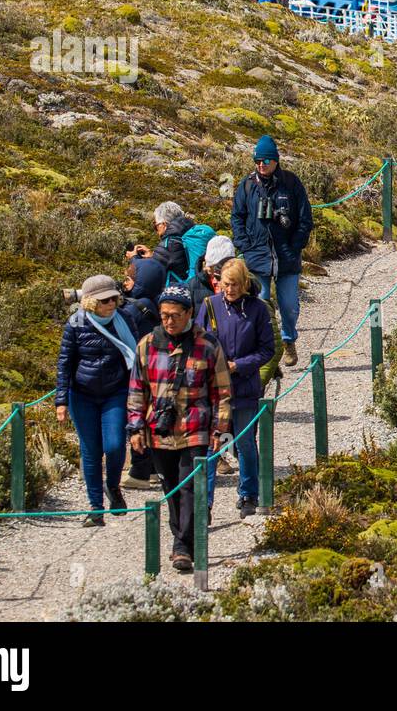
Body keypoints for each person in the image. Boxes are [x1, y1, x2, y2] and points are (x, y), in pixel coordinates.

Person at [127, 285, 232, 573]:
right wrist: (135, 427)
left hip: (196, 427)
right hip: (159, 431)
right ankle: (182, 538)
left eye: (174, 315)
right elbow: (137, 389)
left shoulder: (208, 345)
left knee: (189, 487)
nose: (168, 321)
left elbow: (222, 391)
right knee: (171, 488)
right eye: (163, 315)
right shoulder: (147, 345)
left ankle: (183, 546)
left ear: (188, 314)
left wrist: (220, 430)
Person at [55, 275, 139, 526]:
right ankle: (95, 508)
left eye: (114, 298)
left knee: (114, 445)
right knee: (90, 451)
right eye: (105, 300)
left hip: (116, 392)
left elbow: (136, 359)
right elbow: (64, 363)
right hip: (82, 395)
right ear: (91, 302)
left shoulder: (125, 320)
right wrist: (61, 401)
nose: (111, 304)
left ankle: (112, 486)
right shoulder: (75, 324)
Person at [196, 259, 273, 519]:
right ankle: (204, 504)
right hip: (213, 389)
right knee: (210, 447)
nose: (229, 289)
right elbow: (197, 341)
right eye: (225, 284)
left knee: (245, 444)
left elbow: (267, 350)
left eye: (234, 285)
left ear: (245, 284)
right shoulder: (209, 305)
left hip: (244, 388)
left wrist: (238, 365)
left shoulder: (258, 309)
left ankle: (248, 494)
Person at [231, 135, 313, 368]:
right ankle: (266, 351)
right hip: (257, 256)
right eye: (257, 160)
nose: (261, 164)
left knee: (288, 305)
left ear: (276, 160)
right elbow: (237, 217)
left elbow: (305, 218)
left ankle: (288, 340)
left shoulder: (291, 183)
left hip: (287, 256)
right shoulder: (247, 186)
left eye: (266, 160)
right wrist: (244, 245)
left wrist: (296, 244)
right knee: (261, 304)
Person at [119, 255, 167, 490]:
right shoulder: (157, 302)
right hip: (156, 371)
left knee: (138, 419)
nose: (125, 282)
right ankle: (153, 470)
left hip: (139, 373)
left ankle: (139, 471)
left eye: (129, 278)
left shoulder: (134, 309)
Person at [126, 202, 198, 284]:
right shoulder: (190, 236)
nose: (157, 231)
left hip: (177, 293)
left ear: (164, 224)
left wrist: (134, 258)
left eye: (156, 226)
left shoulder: (168, 244)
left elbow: (147, 274)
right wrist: (153, 256)